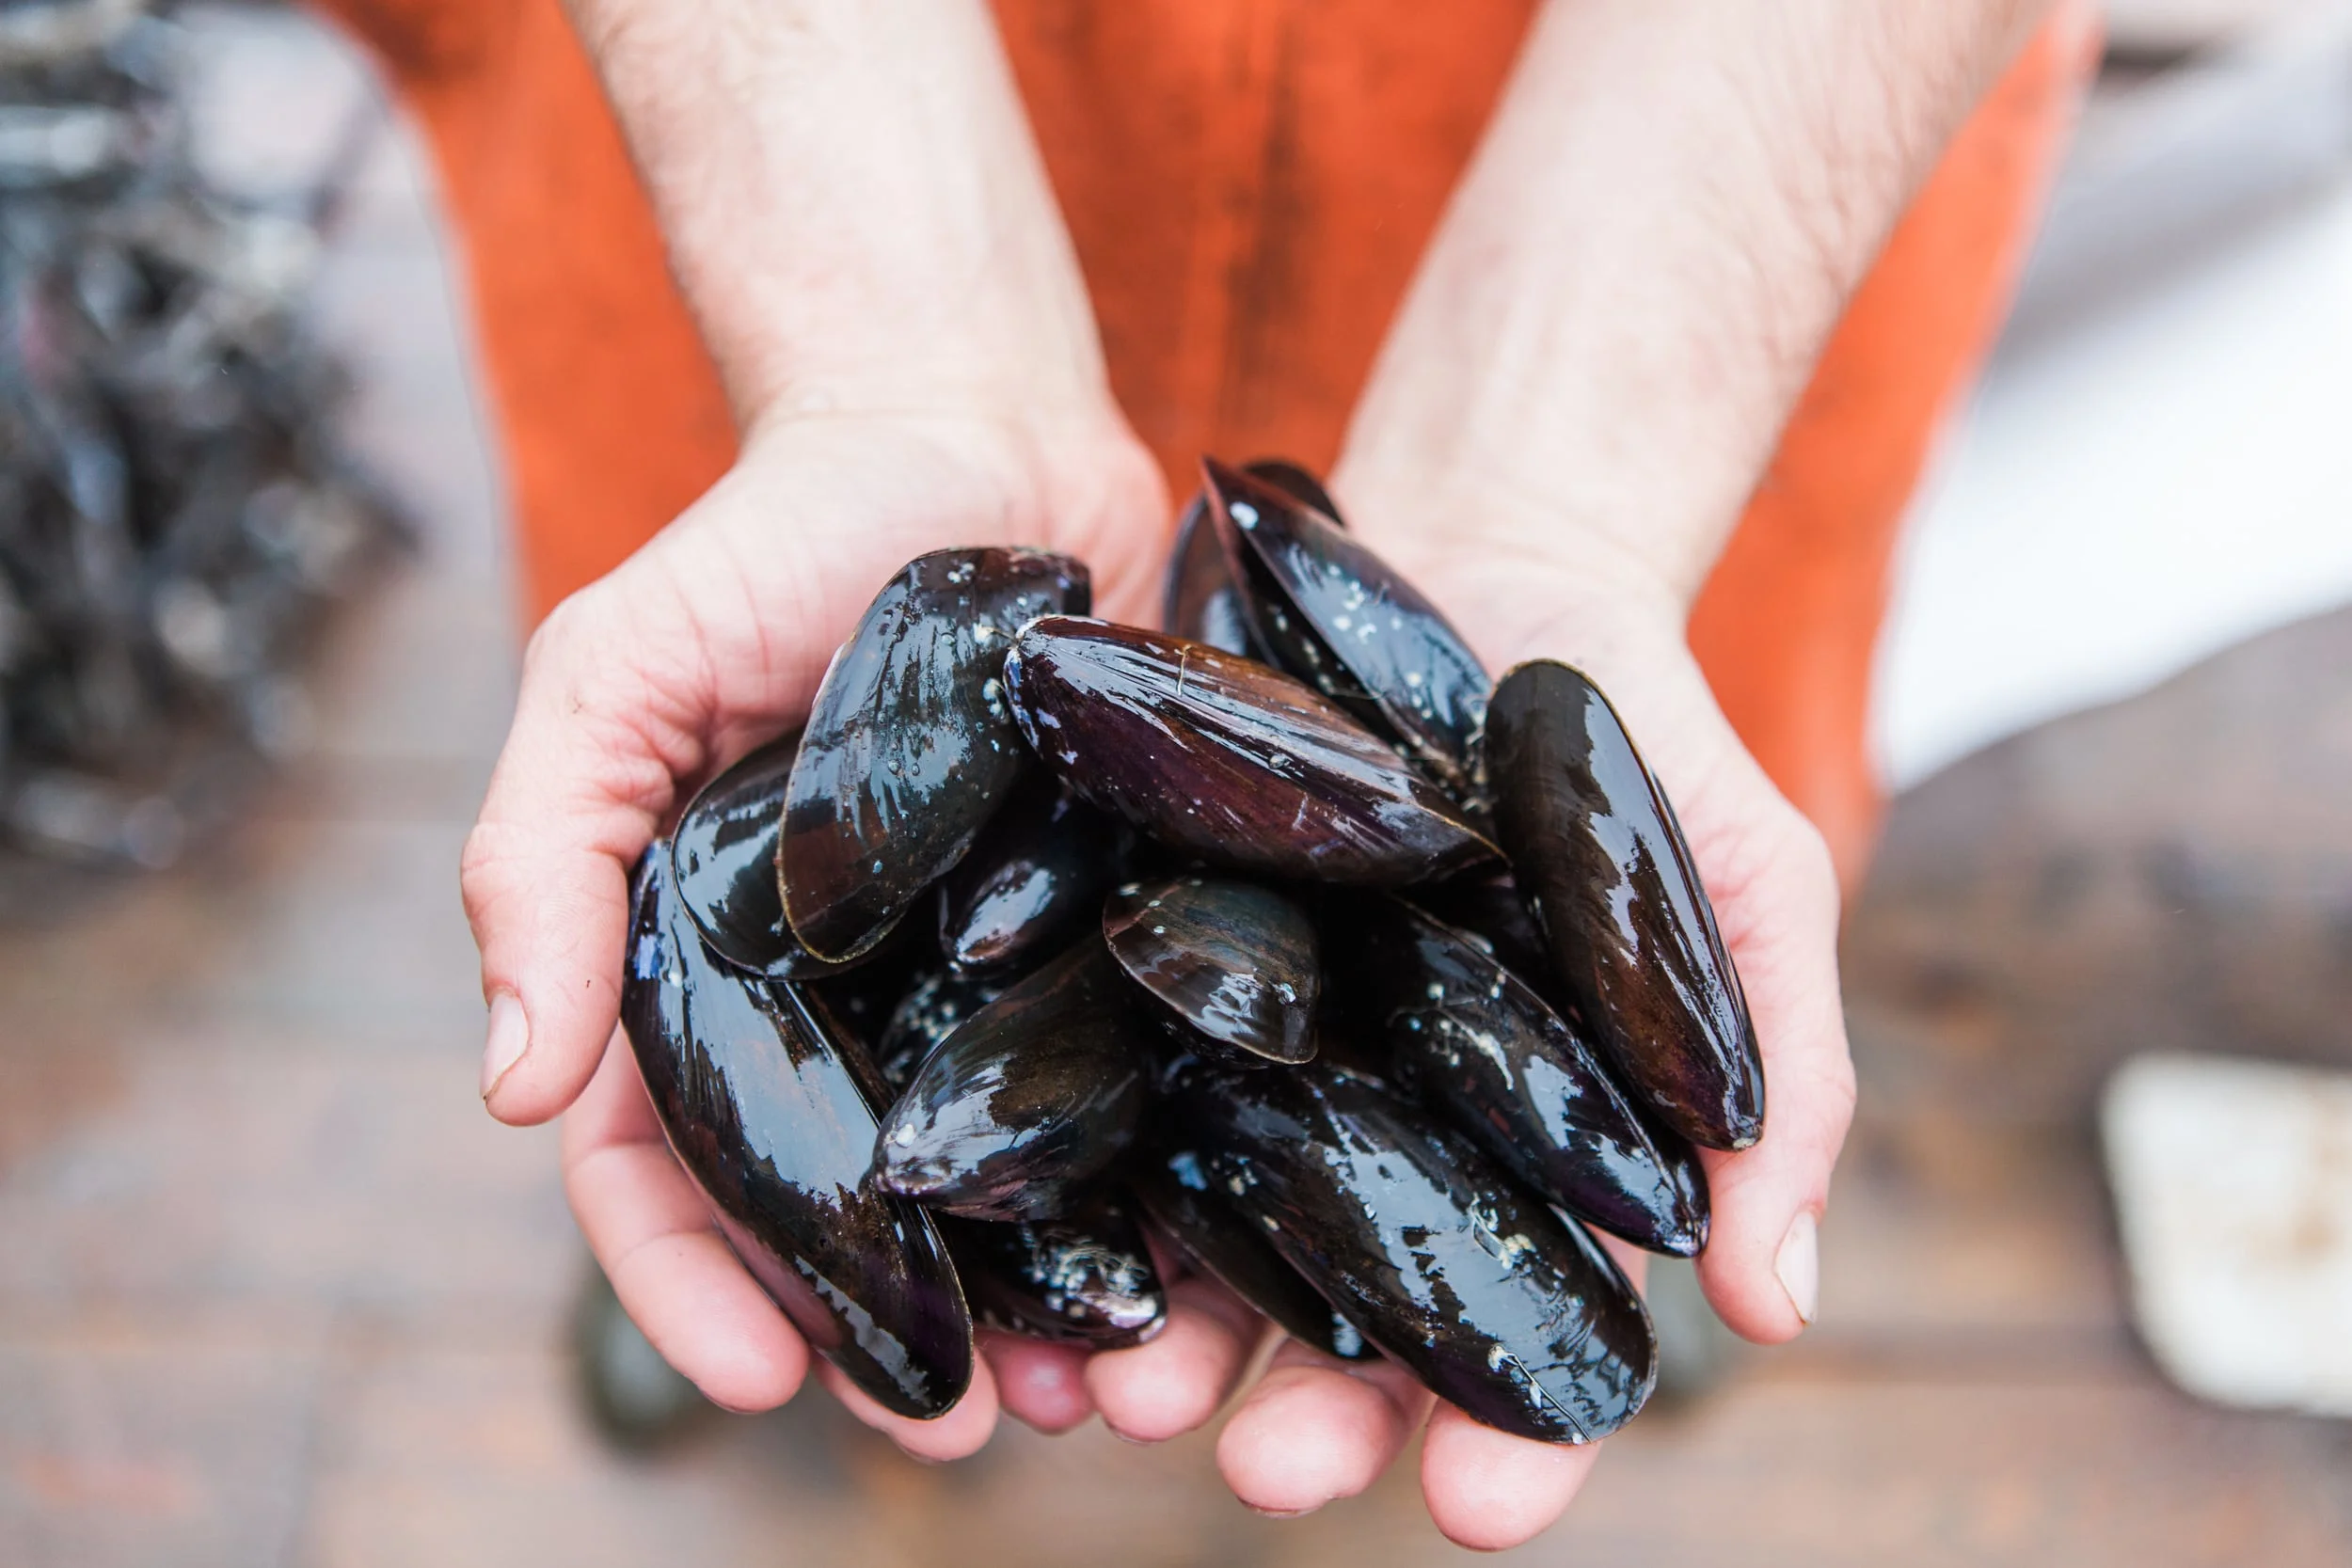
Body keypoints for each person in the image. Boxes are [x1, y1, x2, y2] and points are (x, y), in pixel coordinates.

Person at [337, 0, 2095, 1548]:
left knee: (1680, 731)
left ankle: (1595, 1150)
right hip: (802, 140)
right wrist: (881, 348)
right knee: (701, 880)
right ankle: (800, 1198)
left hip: (1698, 178)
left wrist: (1575, 479)